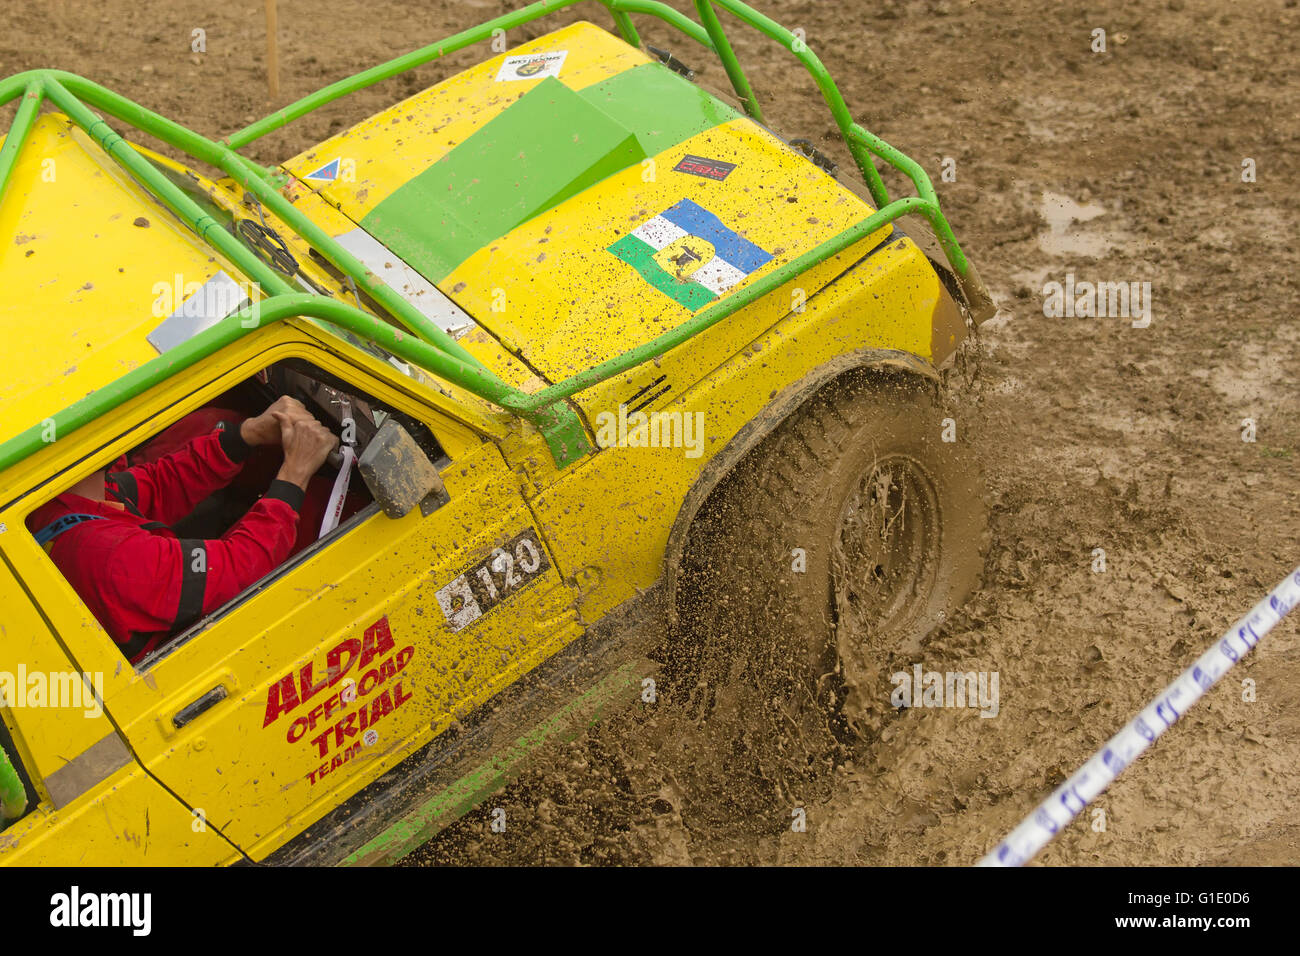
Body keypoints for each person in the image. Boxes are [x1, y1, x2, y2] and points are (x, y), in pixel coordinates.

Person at [27, 396, 339, 663]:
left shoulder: (64, 501)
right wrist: (295, 474)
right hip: (193, 662)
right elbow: (240, 566)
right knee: (318, 515)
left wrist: (246, 434)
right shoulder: (113, 557)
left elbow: (163, 483)